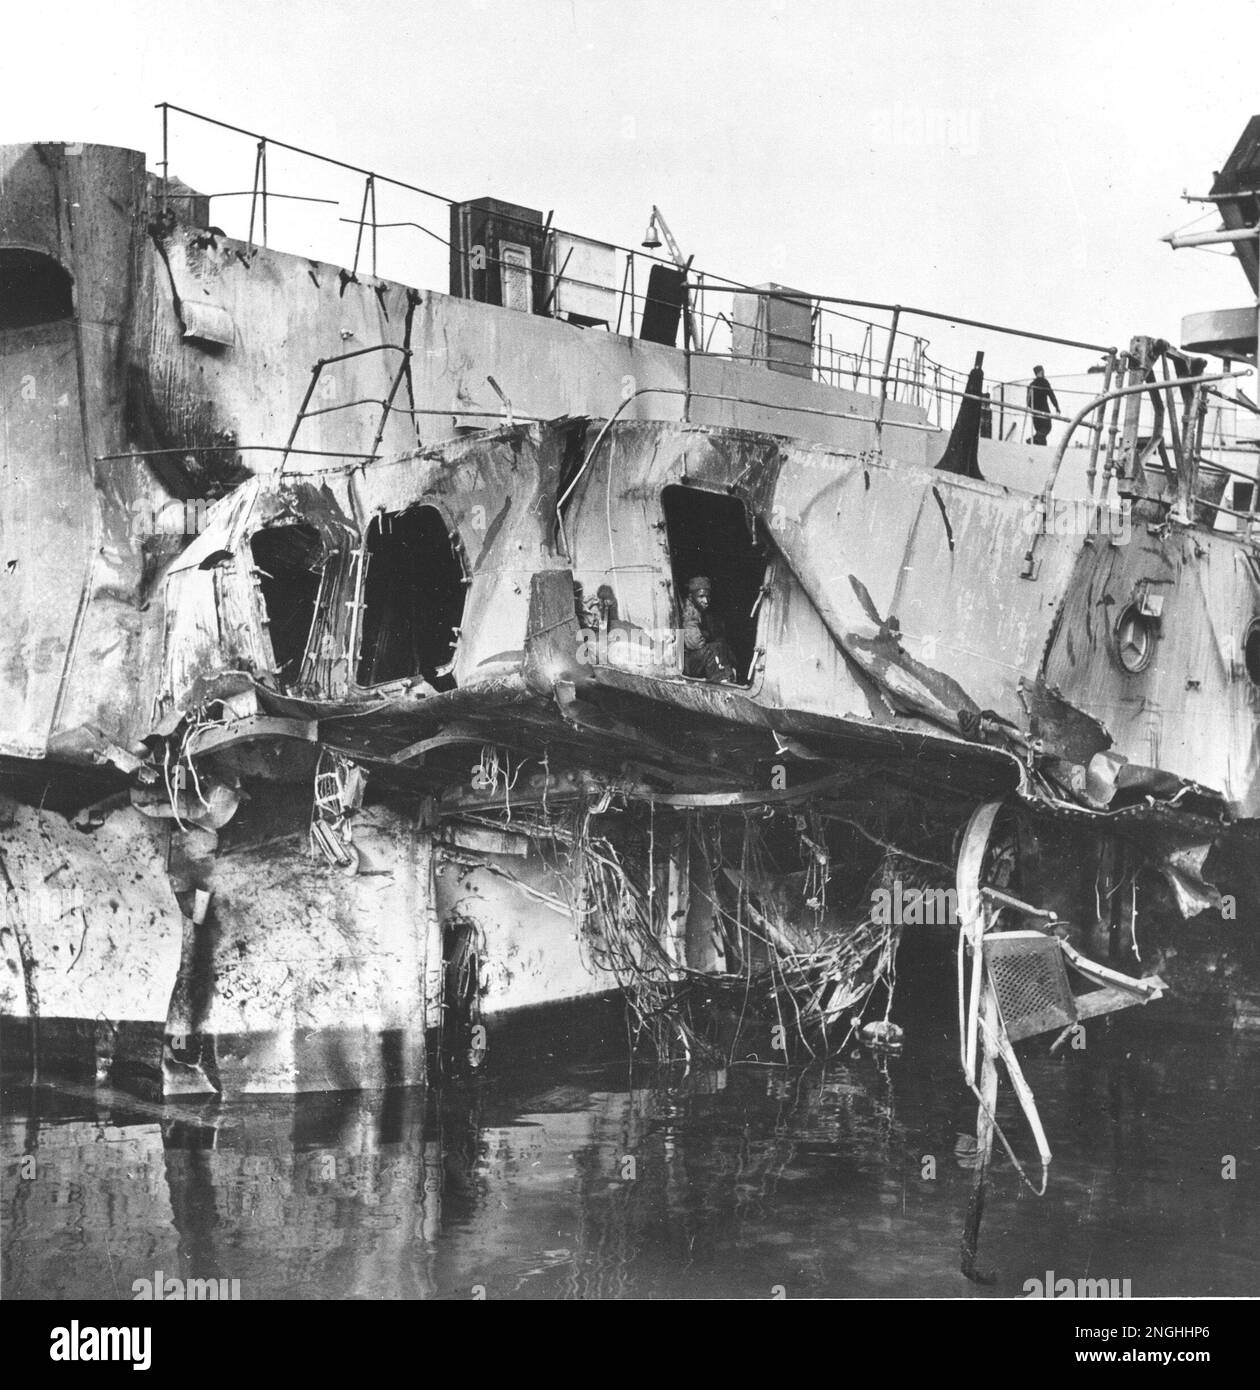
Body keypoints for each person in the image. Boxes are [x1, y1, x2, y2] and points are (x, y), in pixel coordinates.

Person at [681, 576, 735, 682]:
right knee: (712, 649)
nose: (706, 601)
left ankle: (728, 675)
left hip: (692, 659)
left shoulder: (700, 611)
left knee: (720, 645)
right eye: (701, 596)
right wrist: (706, 635)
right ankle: (721, 680)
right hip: (685, 663)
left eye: (707, 596)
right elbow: (695, 643)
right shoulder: (690, 612)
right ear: (691, 597)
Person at [1026, 365, 1059, 446]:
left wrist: (1032, 408)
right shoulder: (1044, 382)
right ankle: (1033, 439)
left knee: (1041, 435)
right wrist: (1057, 407)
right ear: (1041, 372)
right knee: (1047, 428)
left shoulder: (1031, 385)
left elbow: (1028, 401)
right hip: (1044, 411)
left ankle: (1042, 450)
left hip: (1035, 413)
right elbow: (1051, 395)